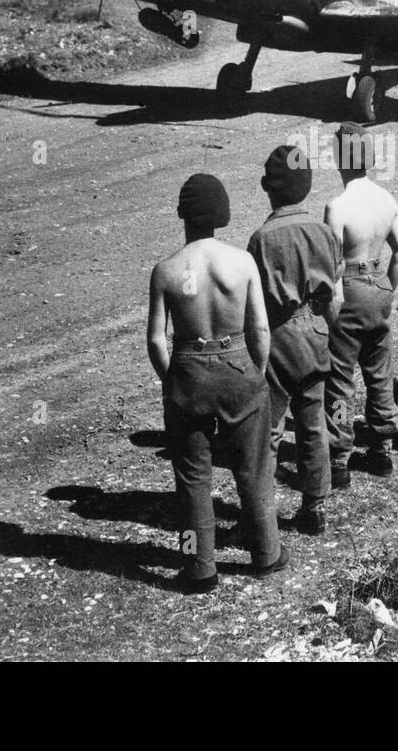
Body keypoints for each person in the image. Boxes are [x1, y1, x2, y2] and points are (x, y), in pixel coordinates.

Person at [146, 172, 290, 594]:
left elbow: (157, 339)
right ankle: (266, 554)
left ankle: (199, 566)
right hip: (238, 365)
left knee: (193, 476)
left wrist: (172, 381)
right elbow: (260, 330)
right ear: (223, 214)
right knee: (254, 467)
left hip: (189, 366)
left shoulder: (166, 270)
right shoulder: (241, 262)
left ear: (181, 215)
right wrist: (257, 376)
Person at [246, 145, 344, 536]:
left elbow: (253, 306)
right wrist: (333, 337)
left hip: (278, 333)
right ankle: (315, 505)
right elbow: (333, 296)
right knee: (313, 422)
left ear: (268, 187)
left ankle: (263, 512)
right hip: (316, 329)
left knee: (269, 430)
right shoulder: (324, 233)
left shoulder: (261, 239)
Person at [323, 122, 398, 484]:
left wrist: (332, 308)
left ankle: (340, 456)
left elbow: (330, 265)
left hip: (350, 287)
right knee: (379, 373)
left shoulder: (337, 205)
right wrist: (387, 289)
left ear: (339, 159)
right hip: (378, 285)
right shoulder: (386, 200)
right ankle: (382, 449)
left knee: (341, 378)